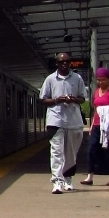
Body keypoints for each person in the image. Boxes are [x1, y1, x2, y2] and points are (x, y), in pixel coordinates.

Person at [40, 53, 88, 194]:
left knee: (70, 153)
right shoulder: (50, 79)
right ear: (57, 64)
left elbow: (83, 98)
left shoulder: (77, 78)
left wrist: (73, 99)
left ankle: (68, 178)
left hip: (73, 121)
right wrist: (57, 100)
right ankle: (57, 181)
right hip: (55, 120)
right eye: (61, 62)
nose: (64, 64)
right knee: (57, 151)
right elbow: (43, 99)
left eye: (67, 61)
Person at [82, 67, 109, 186]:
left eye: (103, 79)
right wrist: (92, 125)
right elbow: (95, 110)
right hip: (97, 124)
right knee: (92, 149)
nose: (100, 82)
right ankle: (90, 176)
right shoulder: (96, 91)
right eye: (98, 80)